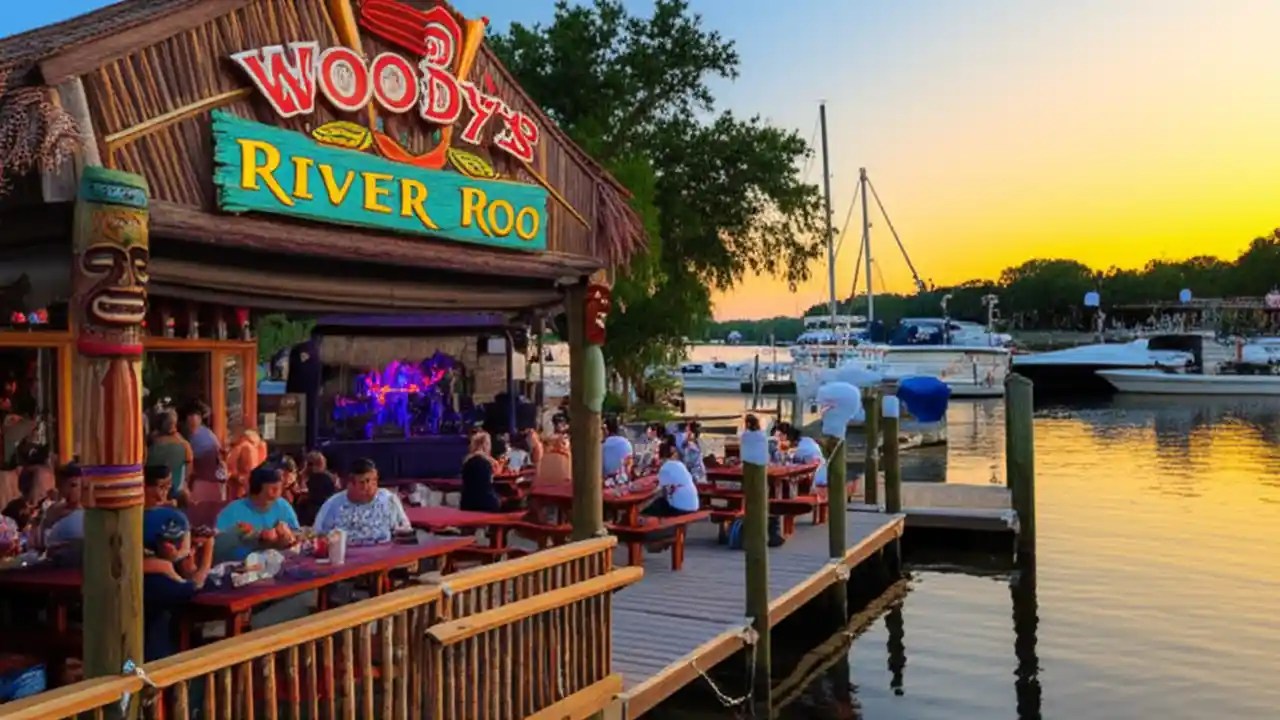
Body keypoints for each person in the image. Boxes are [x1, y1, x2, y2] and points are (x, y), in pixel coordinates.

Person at [142, 506, 214, 661]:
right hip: (153, 659)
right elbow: (194, 587)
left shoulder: (151, 567)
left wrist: (184, 568)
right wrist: (208, 552)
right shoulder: (155, 579)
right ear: (168, 545)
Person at [213, 464, 301, 562]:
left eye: (279, 488)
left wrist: (288, 537)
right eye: (275, 489)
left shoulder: (282, 505)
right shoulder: (232, 511)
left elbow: (298, 536)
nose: (278, 492)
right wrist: (255, 538)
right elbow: (217, 548)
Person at [313, 458, 411, 545]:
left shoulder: (389, 500)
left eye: (374, 480)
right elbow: (317, 535)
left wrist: (400, 532)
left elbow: (406, 529)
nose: (371, 486)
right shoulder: (333, 505)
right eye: (364, 482)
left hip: (385, 557)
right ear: (350, 484)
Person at [146, 409, 193, 505]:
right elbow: (189, 472)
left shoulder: (150, 443)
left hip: (151, 491)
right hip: (175, 490)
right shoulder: (184, 445)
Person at [644, 439, 700, 517]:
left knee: (656, 505)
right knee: (661, 502)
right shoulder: (680, 464)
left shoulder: (665, 468)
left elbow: (657, 491)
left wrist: (642, 504)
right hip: (693, 506)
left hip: (682, 508)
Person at [184, 402, 225, 504]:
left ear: (200, 420)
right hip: (210, 481)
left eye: (194, 421)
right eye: (190, 421)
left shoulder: (202, 436)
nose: (191, 424)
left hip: (203, 482)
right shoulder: (209, 434)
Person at [40, 463, 85, 550]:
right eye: (62, 486)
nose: (67, 490)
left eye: (73, 485)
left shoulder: (89, 513)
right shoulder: (53, 511)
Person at [460, 431, 501, 512]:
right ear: (485, 444)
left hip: (467, 504)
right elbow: (489, 483)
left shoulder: (467, 461)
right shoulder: (487, 462)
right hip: (486, 504)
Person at [601, 417, 633, 488]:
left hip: (607, 485)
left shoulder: (602, 446)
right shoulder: (627, 443)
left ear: (606, 429)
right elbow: (629, 465)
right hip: (624, 482)